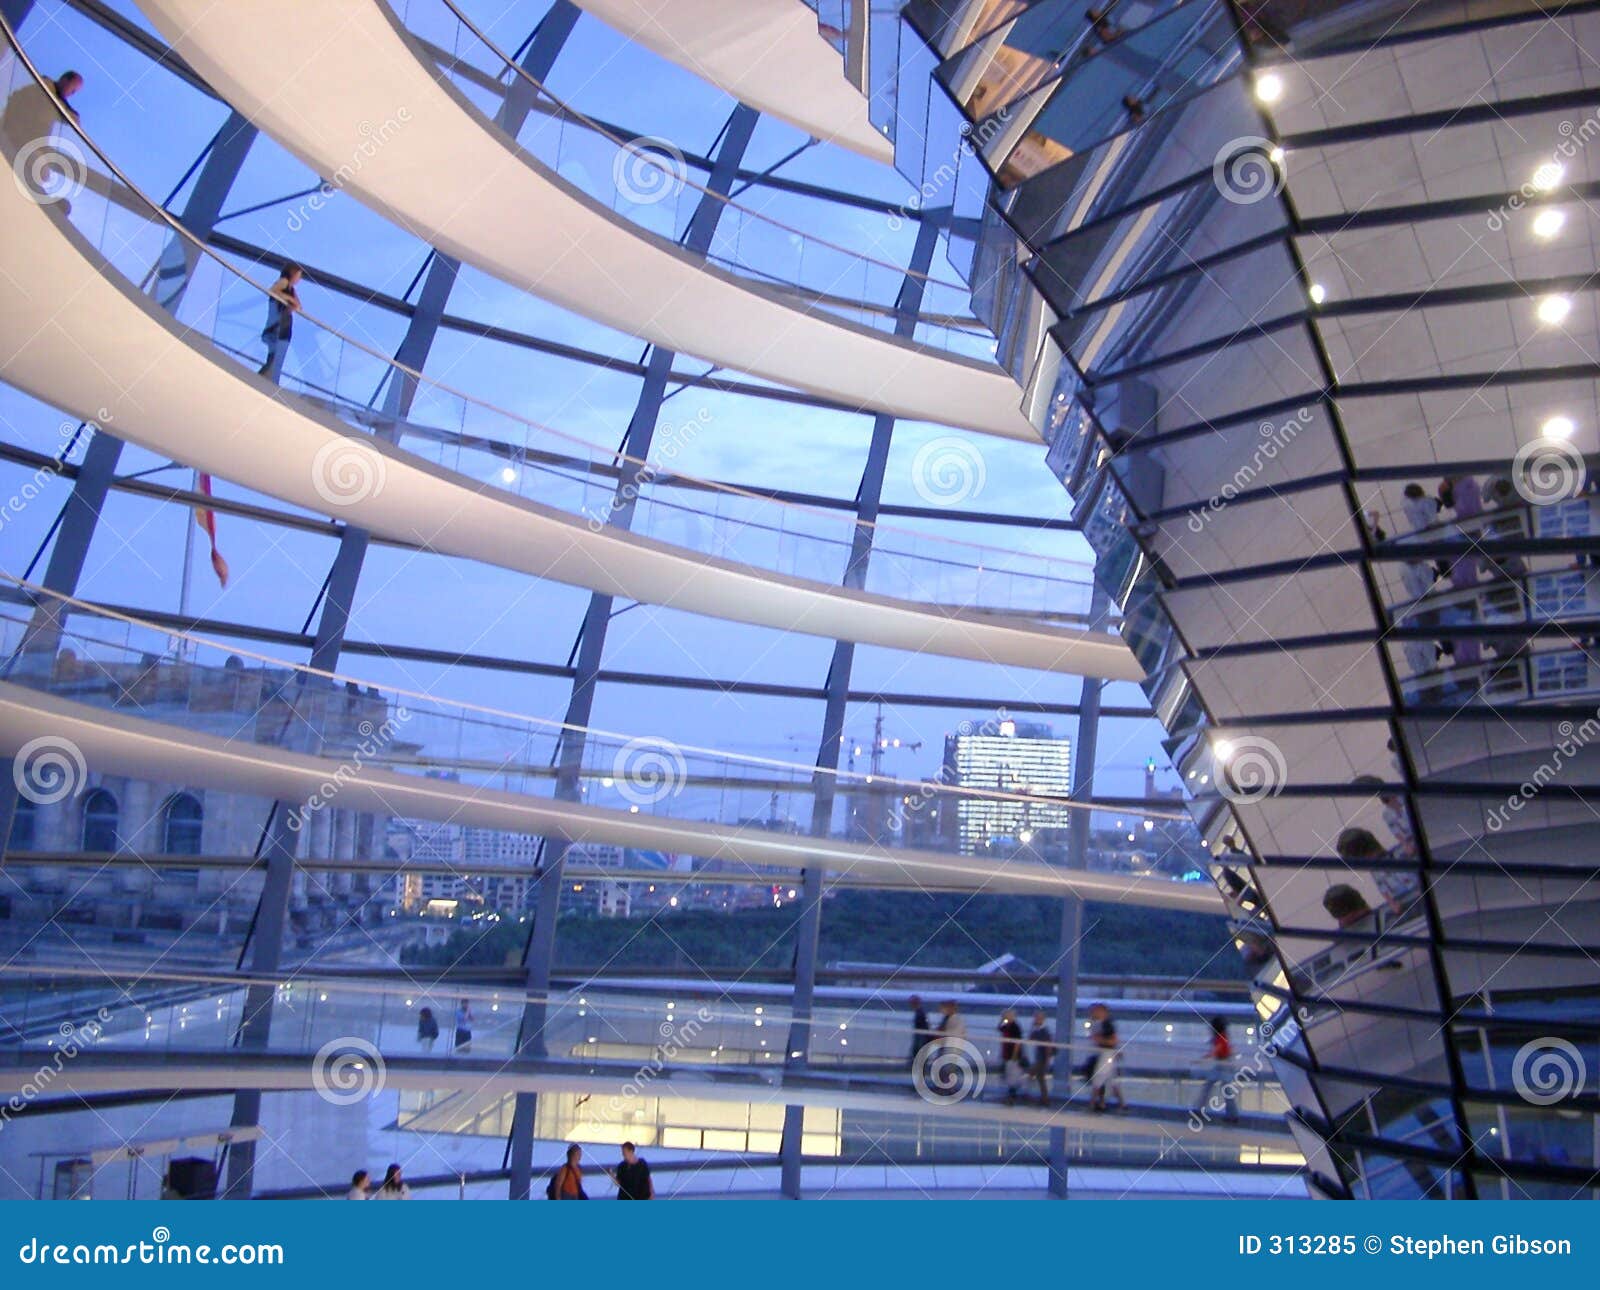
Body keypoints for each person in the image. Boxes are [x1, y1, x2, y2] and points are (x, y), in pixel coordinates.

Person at [1, 69, 84, 206]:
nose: (72, 94)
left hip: (23, 141)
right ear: (65, 80)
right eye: (73, 89)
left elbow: (72, 118)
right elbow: (69, 115)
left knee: (42, 173)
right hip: (18, 139)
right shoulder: (45, 88)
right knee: (41, 172)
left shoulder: (54, 98)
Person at [257, 261, 302, 382]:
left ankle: (264, 379)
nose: (299, 279)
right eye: (298, 275)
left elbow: (298, 306)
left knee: (274, 358)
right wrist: (288, 298)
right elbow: (272, 291)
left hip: (282, 326)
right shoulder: (284, 282)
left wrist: (291, 302)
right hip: (277, 326)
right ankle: (269, 382)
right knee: (276, 359)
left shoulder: (291, 289)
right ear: (292, 274)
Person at [1194, 1017, 1239, 1122]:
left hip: (1223, 1064)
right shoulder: (1223, 1037)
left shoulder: (1220, 1038)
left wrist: (1202, 1060)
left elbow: (1215, 1051)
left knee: (1212, 1087)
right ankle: (1232, 1114)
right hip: (1223, 1063)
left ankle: (1200, 1109)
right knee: (1224, 1090)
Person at [1087, 1002, 1124, 1112]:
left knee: (1099, 1077)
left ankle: (1093, 1103)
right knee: (1112, 1080)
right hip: (1106, 1054)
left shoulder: (1106, 1024)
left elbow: (1113, 1040)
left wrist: (1099, 1040)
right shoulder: (1101, 1024)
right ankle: (1121, 1104)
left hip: (1106, 1054)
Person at [935, 999, 966, 1093]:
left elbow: (953, 1033)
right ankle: (942, 1087)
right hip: (945, 1046)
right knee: (942, 1067)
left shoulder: (956, 1019)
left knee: (948, 1068)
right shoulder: (947, 1018)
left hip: (951, 1047)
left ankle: (948, 1089)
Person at [997, 1008, 1026, 1104]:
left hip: (1013, 1056)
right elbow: (999, 1028)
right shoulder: (1007, 1025)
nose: (1004, 1018)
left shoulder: (1015, 1027)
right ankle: (1010, 1095)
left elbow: (1017, 1043)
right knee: (1009, 1075)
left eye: (1005, 1016)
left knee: (1012, 1076)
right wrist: (1003, 1021)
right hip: (1006, 1054)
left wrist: (1014, 1056)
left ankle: (1012, 1096)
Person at [1027, 1008, 1053, 1104]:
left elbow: (1048, 1046)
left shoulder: (1044, 1031)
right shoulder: (1038, 1030)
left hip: (1042, 1057)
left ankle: (1044, 1097)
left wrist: (1047, 1059)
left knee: (1039, 1077)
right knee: (1038, 1076)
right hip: (1039, 1056)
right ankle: (1043, 1097)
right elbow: (1030, 1038)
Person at [908, 994, 933, 1072]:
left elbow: (923, 1027)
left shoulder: (920, 1013)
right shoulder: (921, 1012)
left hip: (921, 1038)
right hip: (921, 1037)